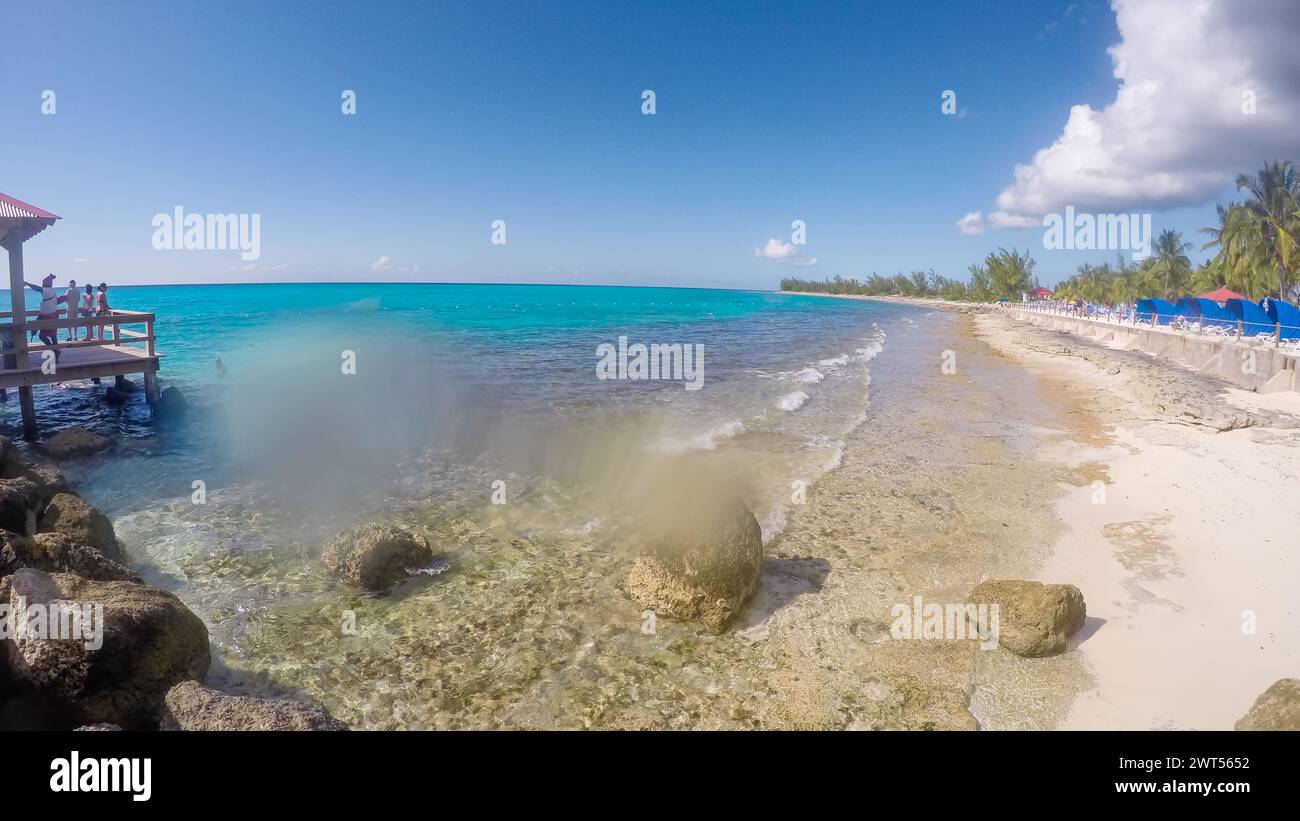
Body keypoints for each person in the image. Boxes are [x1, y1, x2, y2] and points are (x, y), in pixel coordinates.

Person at [24, 273, 66, 357]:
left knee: (50, 336)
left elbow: (38, 289)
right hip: (46, 316)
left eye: (43, 283)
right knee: (48, 336)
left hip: (51, 316)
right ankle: (55, 350)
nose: (42, 284)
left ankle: (55, 351)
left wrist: (27, 284)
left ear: (47, 284)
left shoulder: (48, 290)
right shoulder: (50, 292)